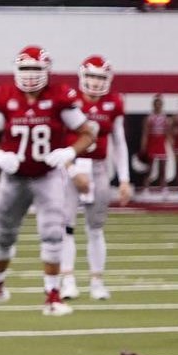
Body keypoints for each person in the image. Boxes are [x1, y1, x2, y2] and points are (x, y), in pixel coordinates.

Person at [0, 46, 96, 316]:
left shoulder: (60, 96)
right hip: (14, 177)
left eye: (35, 69)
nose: (29, 75)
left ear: (47, 71)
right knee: (3, 235)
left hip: (47, 175)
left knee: (52, 235)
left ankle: (52, 295)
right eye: (25, 69)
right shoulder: (5, 96)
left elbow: (87, 133)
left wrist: (70, 152)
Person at [61, 55, 131, 301]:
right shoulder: (69, 101)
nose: (95, 82)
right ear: (81, 76)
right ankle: (68, 280)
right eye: (91, 76)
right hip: (71, 165)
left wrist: (124, 179)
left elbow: (119, 142)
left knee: (96, 228)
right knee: (65, 226)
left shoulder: (114, 102)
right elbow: (57, 140)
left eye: (100, 77)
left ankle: (96, 282)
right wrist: (71, 170)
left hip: (99, 167)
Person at [141, 93, 171, 194]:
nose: (158, 106)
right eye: (156, 104)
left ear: (162, 105)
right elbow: (145, 133)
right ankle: (145, 187)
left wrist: (170, 144)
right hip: (152, 143)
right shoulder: (149, 117)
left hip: (161, 143)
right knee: (150, 167)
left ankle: (163, 186)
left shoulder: (165, 118)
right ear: (153, 105)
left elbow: (168, 133)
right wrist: (144, 145)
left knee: (163, 166)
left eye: (160, 104)